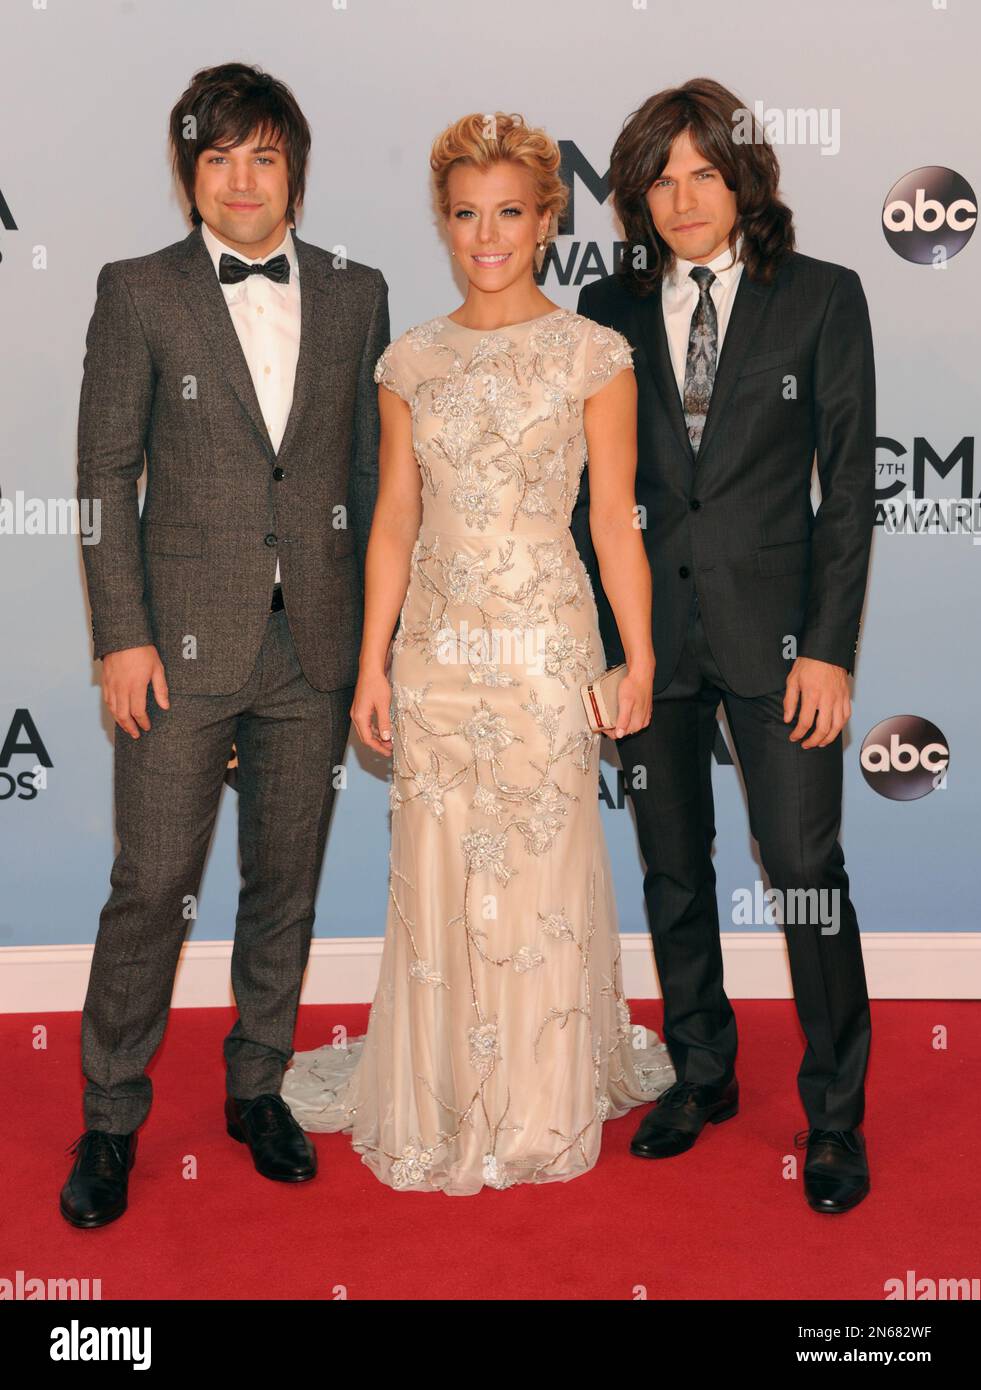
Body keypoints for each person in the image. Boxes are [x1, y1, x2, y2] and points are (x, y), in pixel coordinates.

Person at [280, 111, 675, 1193]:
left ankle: (541, 1101)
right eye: (466, 215)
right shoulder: (410, 360)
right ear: (443, 223)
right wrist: (372, 663)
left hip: (548, 644)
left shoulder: (596, 354)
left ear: (549, 219)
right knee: (440, 874)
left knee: (540, 871)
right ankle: (442, 1094)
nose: (487, 235)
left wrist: (635, 659)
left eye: (510, 213)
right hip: (437, 655)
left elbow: (613, 524)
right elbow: (396, 518)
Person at [61, 62, 389, 1227]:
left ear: (294, 166)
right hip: (178, 654)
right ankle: (110, 1117)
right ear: (188, 173)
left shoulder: (359, 293)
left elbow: (364, 476)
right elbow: (104, 477)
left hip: (316, 651)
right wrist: (121, 636)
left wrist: (371, 647)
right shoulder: (138, 290)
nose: (242, 179)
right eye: (218, 157)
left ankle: (259, 1087)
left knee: (283, 884)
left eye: (263, 154)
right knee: (151, 885)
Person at [570, 78, 875, 1213]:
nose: (684, 198)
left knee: (803, 874)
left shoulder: (824, 300)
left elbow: (847, 491)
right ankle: (703, 1070)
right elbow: (587, 498)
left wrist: (831, 649)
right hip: (652, 641)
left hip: (782, 642)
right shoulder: (604, 309)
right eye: (661, 177)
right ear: (636, 196)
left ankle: (835, 1115)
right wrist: (610, 641)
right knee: (670, 868)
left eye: (705, 172)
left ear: (747, 178)